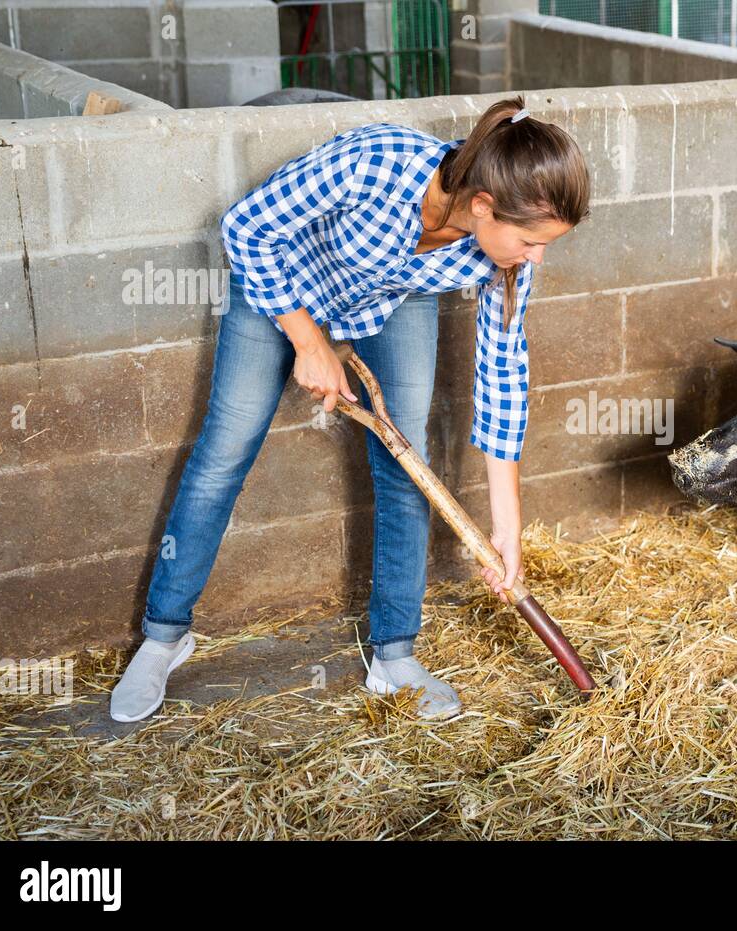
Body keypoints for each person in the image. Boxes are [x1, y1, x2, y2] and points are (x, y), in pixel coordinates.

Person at [110, 95, 590, 723]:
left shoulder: (506, 263)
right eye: (529, 240)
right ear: (482, 206)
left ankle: (394, 655)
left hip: (392, 299)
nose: (536, 257)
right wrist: (308, 342)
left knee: (405, 462)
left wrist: (507, 526)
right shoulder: (375, 163)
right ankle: (164, 635)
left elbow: (504, 371)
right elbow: (245, 227)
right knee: (226, 446)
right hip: (280, 284)